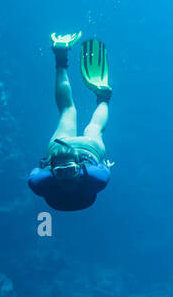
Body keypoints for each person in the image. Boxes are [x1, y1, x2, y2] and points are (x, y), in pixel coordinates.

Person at [28, 33, 112, 212]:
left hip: (86, 148)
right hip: (70, 148)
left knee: (88, 123)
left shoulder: (98, 179)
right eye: (70, 171)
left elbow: (105, 169)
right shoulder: (97, 178)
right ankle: (60, 54)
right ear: (80, 168)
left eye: (61, 172)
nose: (66, 179)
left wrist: (104, 164)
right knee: (68, 110)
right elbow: (38, 168)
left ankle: (103, 97)